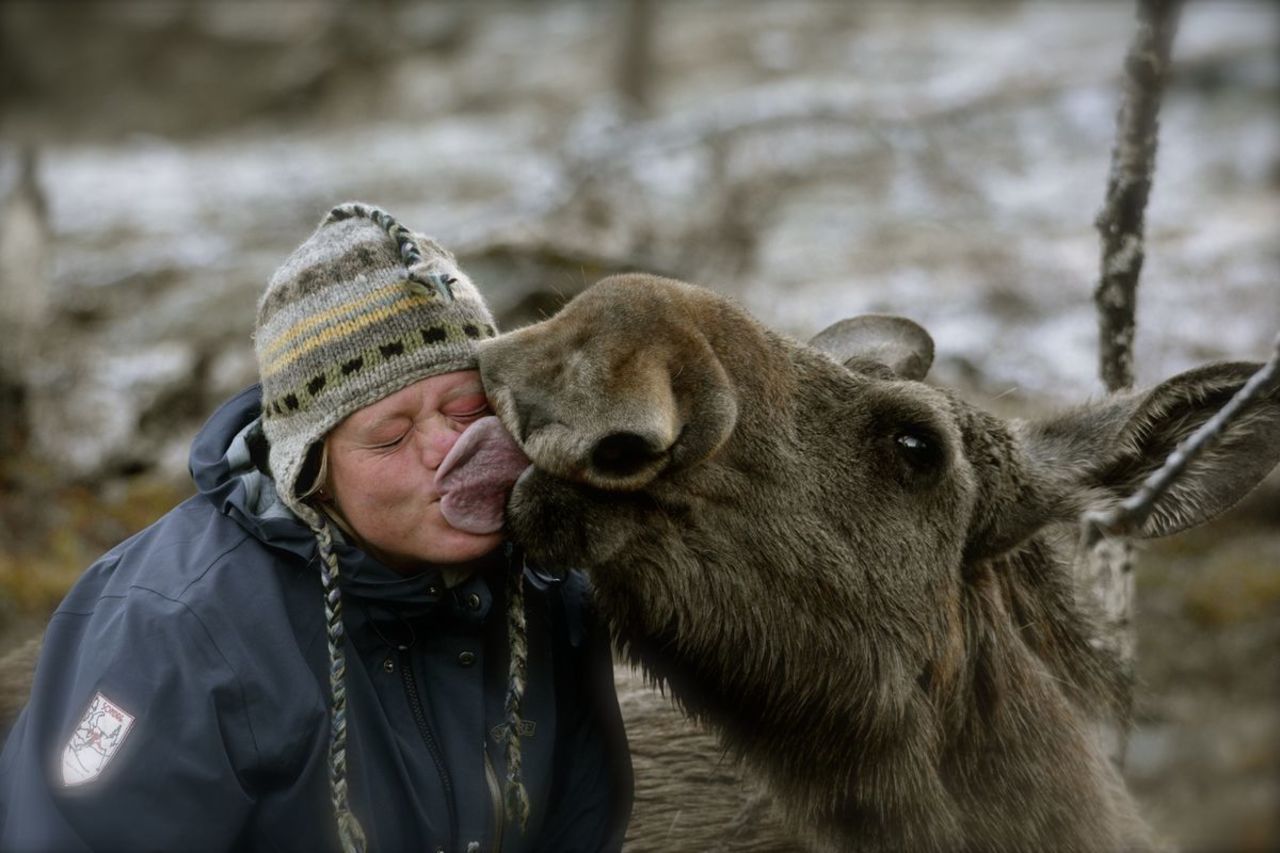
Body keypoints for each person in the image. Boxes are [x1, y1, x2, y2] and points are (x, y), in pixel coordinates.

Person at [0, 203, 633, 852]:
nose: (448, 449)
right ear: (311, 470)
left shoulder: (550, 586)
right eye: (391, 436)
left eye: (468, 409)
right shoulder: (173, 634)